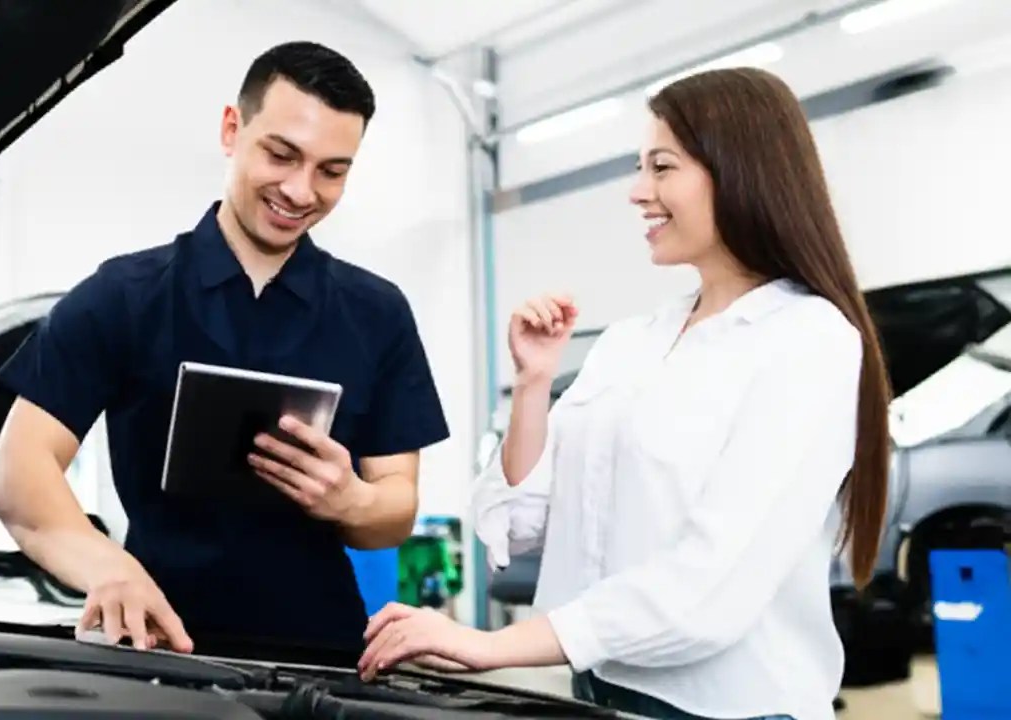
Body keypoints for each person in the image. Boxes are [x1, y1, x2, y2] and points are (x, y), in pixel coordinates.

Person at [357, 67, 891, 720]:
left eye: (662, 167)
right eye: (640, 168)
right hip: (600, 695)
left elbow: (709, 588)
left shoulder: (808, 340)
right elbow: (521, 525)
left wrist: (490, 646)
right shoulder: (632, 341)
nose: (639, 192)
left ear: (741, 169)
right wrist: (532, 386)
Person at [0, 41, 449, 656]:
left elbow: (396, 507)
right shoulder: (123, 297)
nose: (300, 189)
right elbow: (19, 476)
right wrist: (108, 569)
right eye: (281, 154)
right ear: (233, 129)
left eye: (331, 170)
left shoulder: (378, 313)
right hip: (157, 649)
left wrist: (352, 500)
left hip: (323, 666)